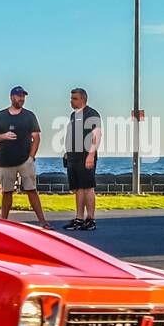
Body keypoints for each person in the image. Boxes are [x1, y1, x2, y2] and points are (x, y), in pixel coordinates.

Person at [0, 86, 50, 228]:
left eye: (23, 96)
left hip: (25, 160)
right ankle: (4, 222)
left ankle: (42, 221)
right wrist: (3, 136)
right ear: (11, 97)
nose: (21, 99)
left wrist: (31, 157)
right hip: (5, 160)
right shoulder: (1, 116)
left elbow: (36, 138)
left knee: (31, 190)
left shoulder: (29, 116)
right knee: (7, 192)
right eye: (18, 96)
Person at [63, 88, 101, 231]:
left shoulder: (91, 114)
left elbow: (96, 135)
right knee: (78, 189)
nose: (71, 100)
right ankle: (79, 219)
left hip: (86, 157)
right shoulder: (73, 115)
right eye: (71, 98)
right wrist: (67, 153)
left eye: (75, 98)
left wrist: (91, 154)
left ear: (83, 99)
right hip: (73, 157)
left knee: (88, 188)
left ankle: (91, 219)